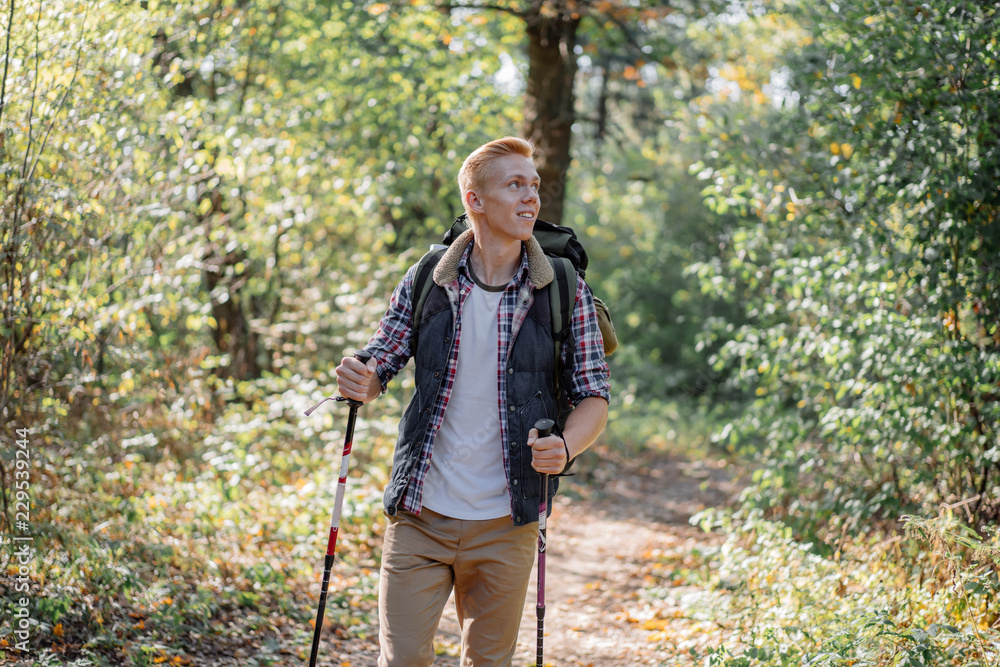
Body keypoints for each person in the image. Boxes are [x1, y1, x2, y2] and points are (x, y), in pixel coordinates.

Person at [335, 136, 611, 666]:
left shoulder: (562, 287)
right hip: (420, 513)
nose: (531, 197)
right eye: (514, 185)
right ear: (475, 200)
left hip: (508, 522)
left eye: (533, 186)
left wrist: (566, 449)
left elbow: (594, 396)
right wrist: (359, 379)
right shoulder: (429, 278)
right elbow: (381, 362)